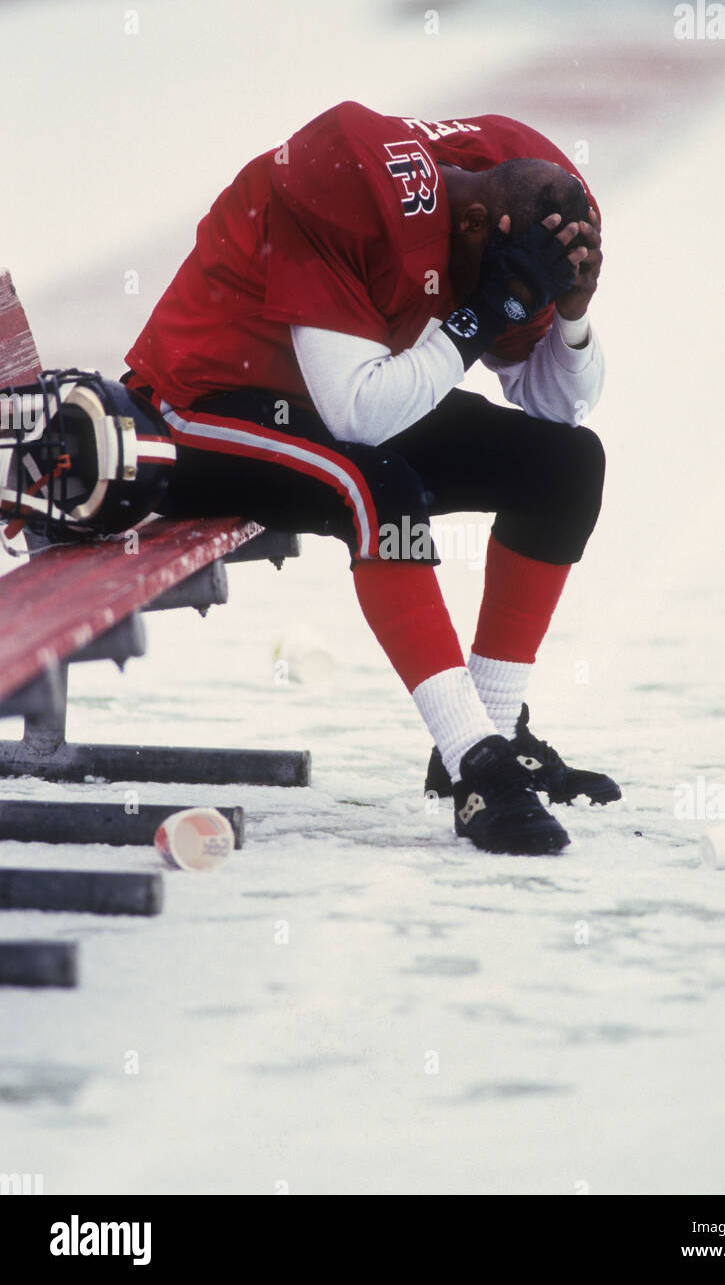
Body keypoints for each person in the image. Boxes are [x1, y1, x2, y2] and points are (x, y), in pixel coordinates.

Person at [121, 101, 621, 855]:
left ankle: (493, 731)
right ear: (478, 223)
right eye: (510, 278)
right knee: (376, 487)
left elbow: (559, 408)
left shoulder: (520, 200)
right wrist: (486, 311)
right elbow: (356, 415)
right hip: (204, 403)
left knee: (564, 467)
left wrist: (571, 317)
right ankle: (474, 763)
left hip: (332, 391)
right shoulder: (348, 188)